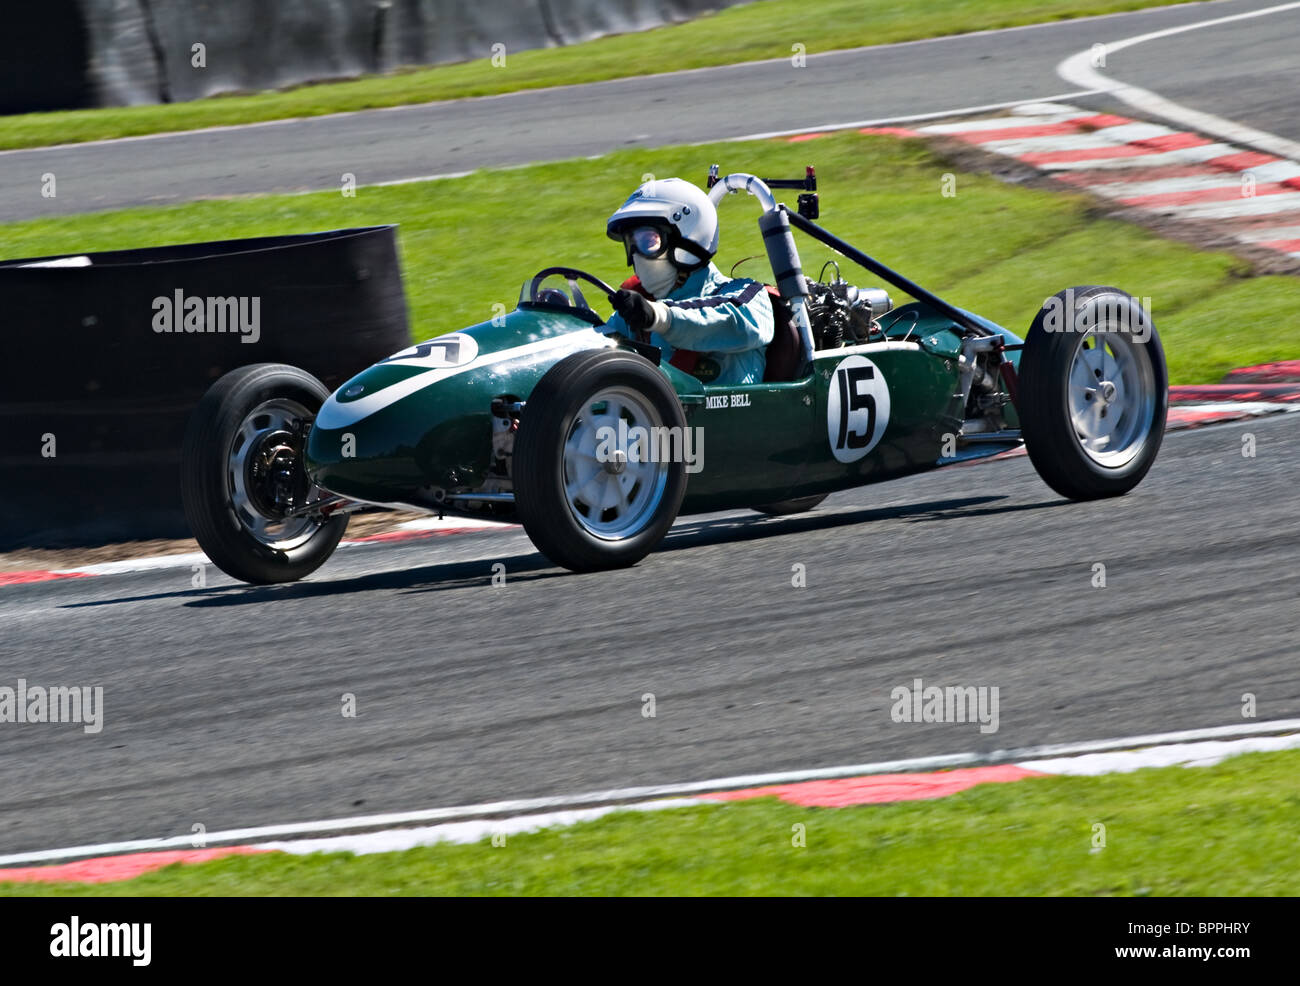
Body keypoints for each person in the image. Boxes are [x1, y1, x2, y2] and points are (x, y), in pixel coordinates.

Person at [604, 177, 773, 385]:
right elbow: (594, 347)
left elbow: (729, 322)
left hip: (732, 416)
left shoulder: (746, 295)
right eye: (630, 244)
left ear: (687, 239)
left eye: (648, 241)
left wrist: (659, 316)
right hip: (652, 416)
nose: (635, 255)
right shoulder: (637, 310)